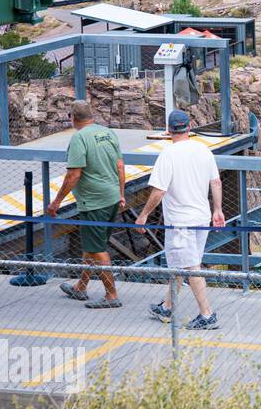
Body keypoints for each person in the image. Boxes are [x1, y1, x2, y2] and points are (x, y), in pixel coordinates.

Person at [135, 109, 225, 330]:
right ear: (189, 126)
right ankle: (167, 307)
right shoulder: (204, 150)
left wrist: (143, 215)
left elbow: (158, 192)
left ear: (168, 130)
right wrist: (218, 210)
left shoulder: (168, 154)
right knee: (179, 264)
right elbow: (216, 182)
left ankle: (207, 315)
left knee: (190, 266)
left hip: (180, 221)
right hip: (201, 217)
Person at [47, 101, 126, 309]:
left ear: (73, 118)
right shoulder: (108, 133)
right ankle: (81, 287)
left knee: (97, 248)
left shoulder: (79, 138)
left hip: (93, 202)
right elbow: (119, 165)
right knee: (91, 246)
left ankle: (111, 295)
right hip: (111, 198)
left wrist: (56, 202)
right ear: (92, 115)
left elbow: (73, 174)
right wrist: (121, 194)